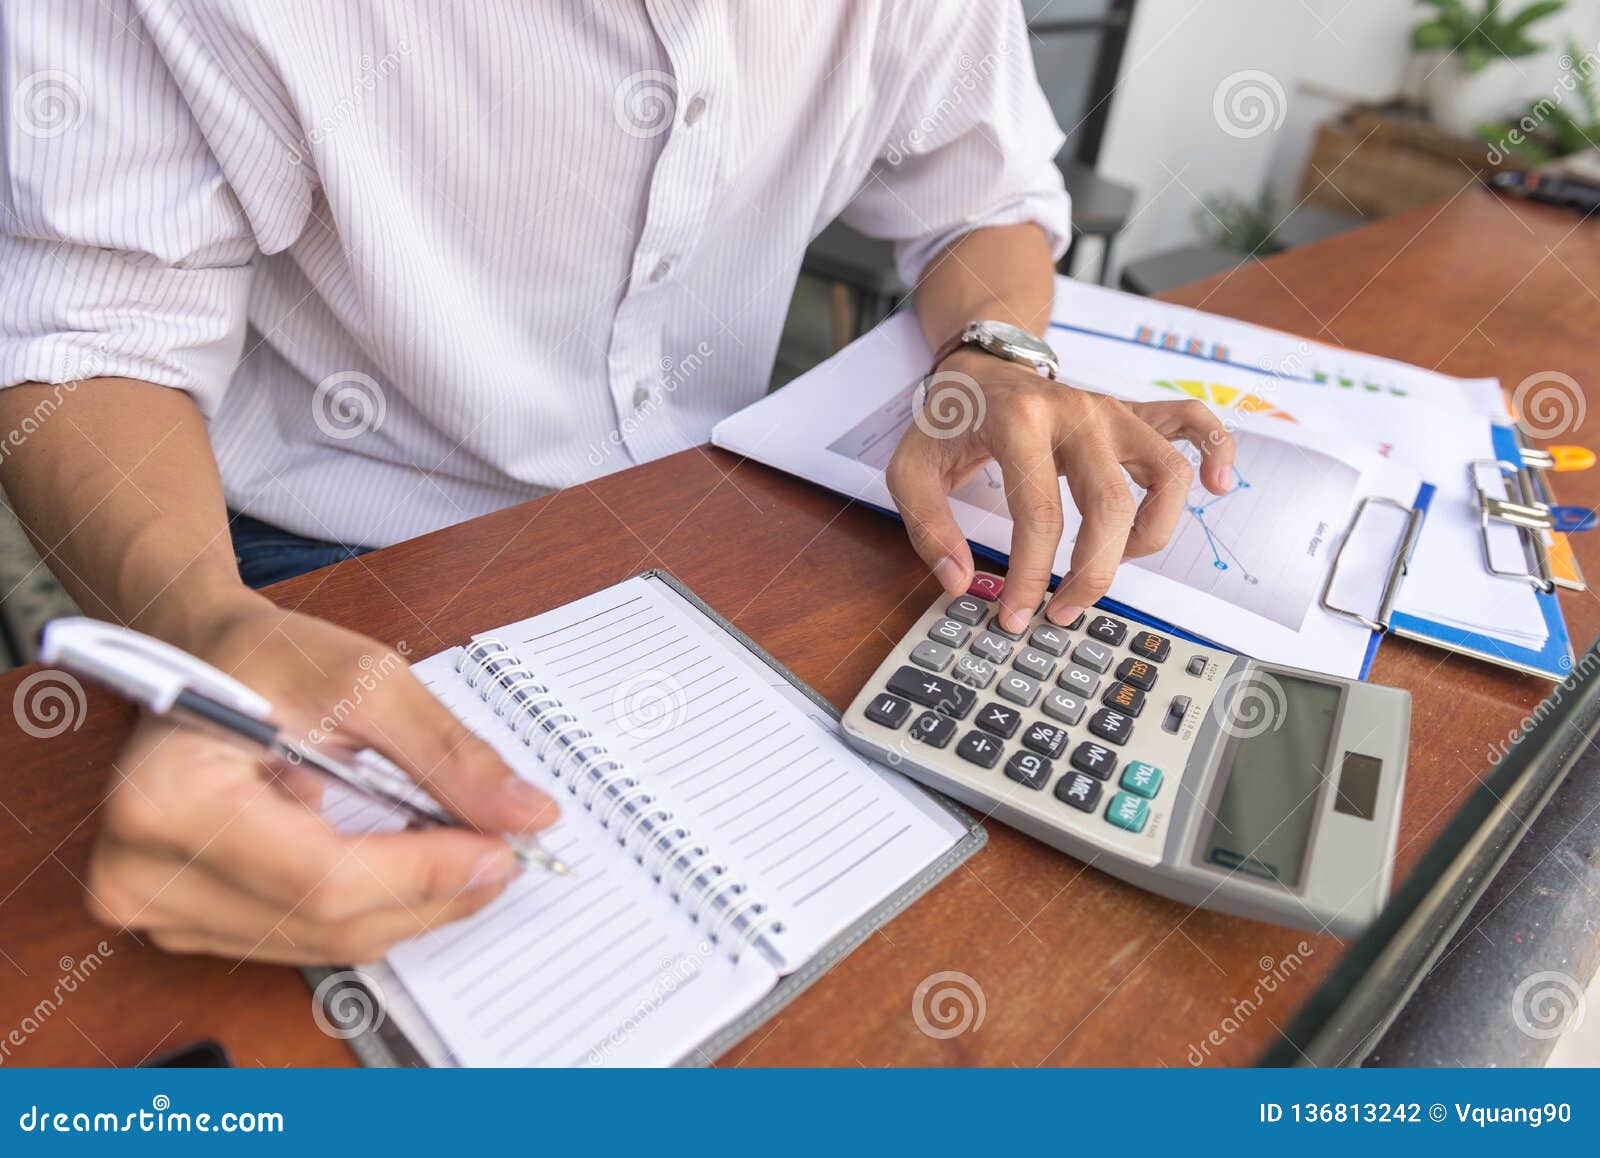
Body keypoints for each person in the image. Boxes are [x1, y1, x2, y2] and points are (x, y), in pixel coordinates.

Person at [0, 2, 1233, 964]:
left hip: (715, 510)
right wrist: (205, 625)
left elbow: (980, 197)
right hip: (320, 560)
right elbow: (88, 340)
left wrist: (993, 352)